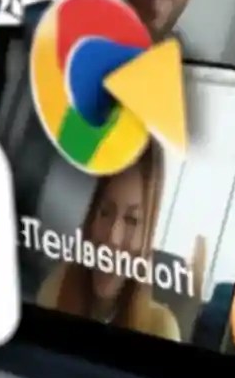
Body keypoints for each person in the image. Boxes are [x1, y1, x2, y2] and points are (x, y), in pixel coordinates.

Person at [37, 145, 181, 341]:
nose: (113, 237)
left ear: (147, 235)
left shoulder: (161, 329)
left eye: (132, 220)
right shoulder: (56, 289)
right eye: (105, 212)